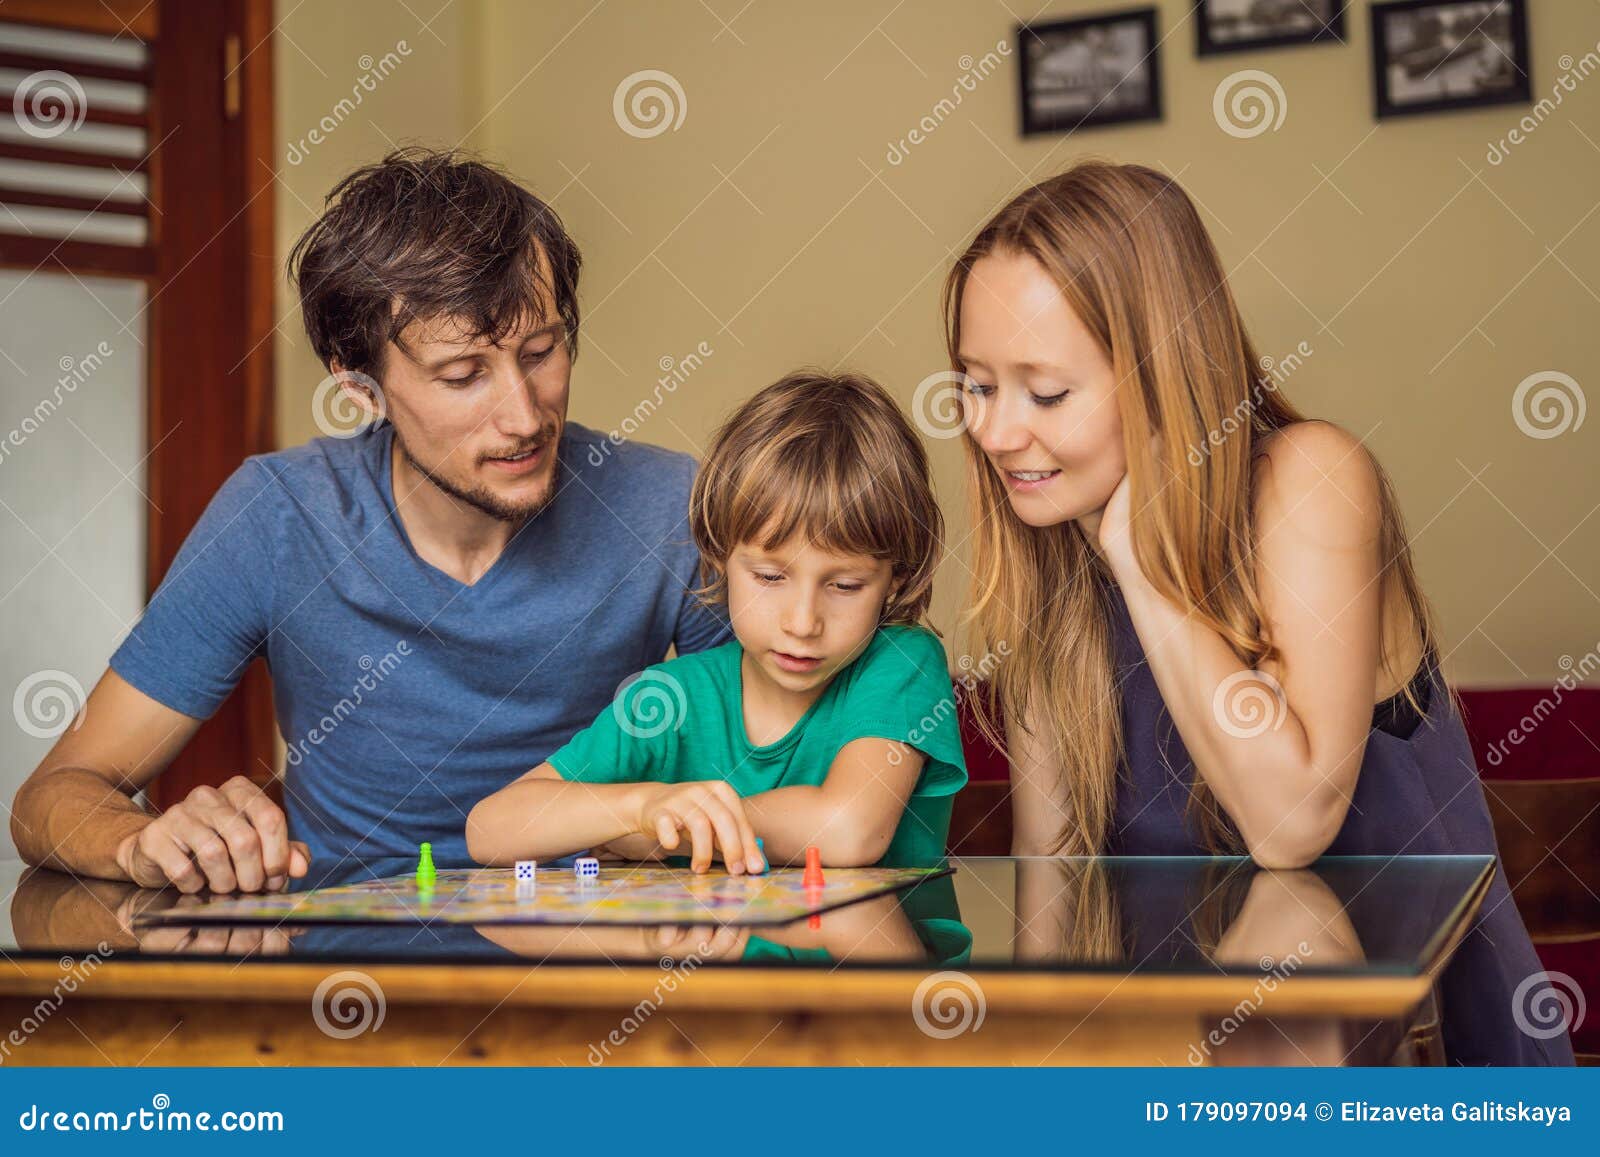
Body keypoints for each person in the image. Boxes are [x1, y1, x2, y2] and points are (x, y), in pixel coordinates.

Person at [944, 160, 1571, 1065]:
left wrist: (1137, 556)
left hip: (1427, 1063)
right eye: (975, 384)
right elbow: (1057, 869)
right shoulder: (1050, 554)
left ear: (1161, 379)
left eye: (1045, 393)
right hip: (1196, 1078)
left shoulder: (1310, 480)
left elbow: (1291, 825)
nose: (997, 433)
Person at [10, 148, 728, 893]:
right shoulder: (281, 516)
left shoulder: (666, 506)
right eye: (463, 375)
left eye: (541, 352)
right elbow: (50, 796)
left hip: (590, 971)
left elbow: (814, 752)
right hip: (347, 973)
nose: (524, 415)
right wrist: (144, 842)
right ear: (361, 389)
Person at [467, 371, 968, 871]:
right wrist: (640, 809)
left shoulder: (903, 663)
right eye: (771, 577)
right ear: (720, 555)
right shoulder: (672, 696)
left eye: (845, 586)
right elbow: (491, 829)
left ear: (897, 580)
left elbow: (848, 832)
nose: (803, 621)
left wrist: (663, 836)